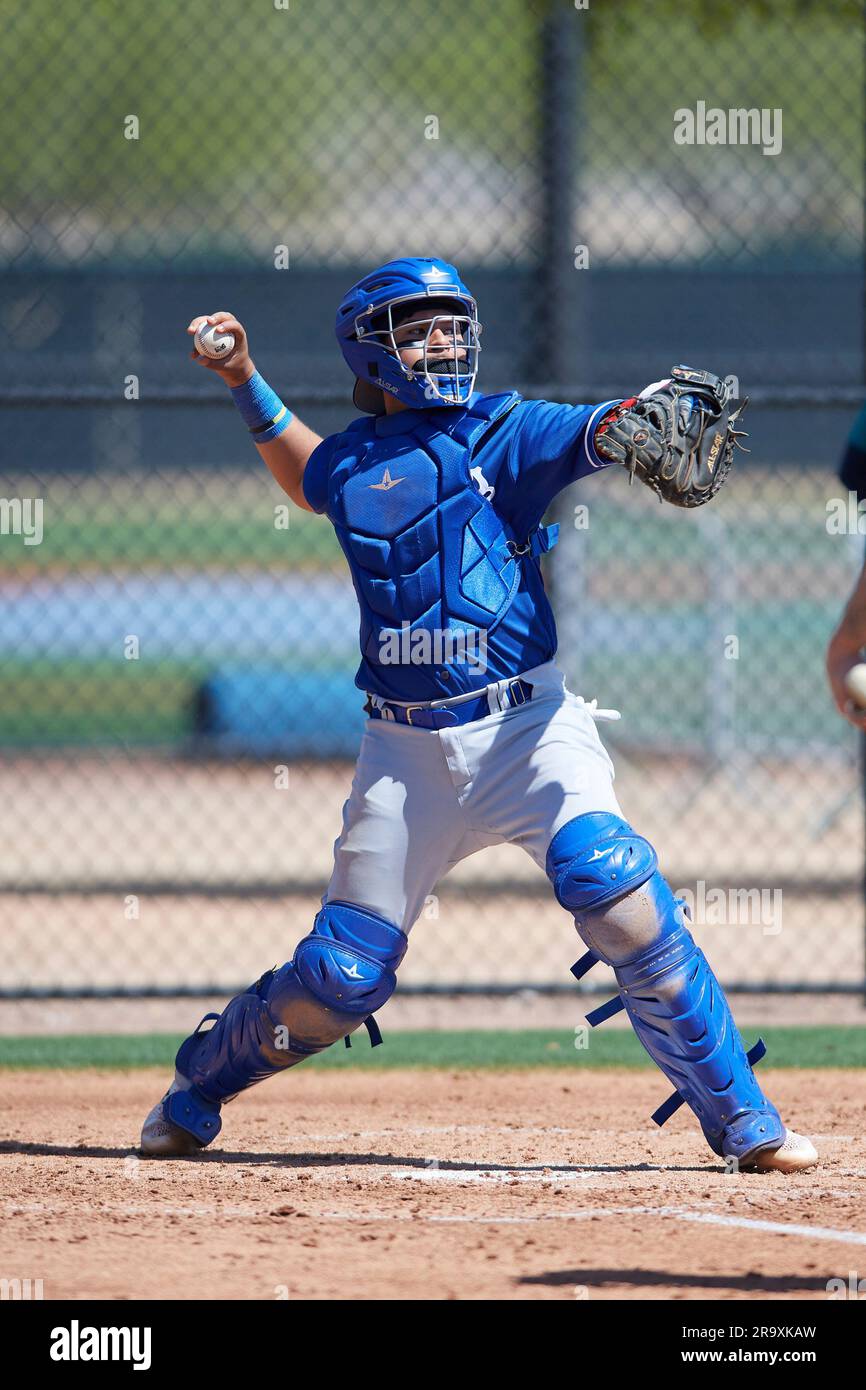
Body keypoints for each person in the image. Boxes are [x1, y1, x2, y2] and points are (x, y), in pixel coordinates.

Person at [141, 257, 816, 1173]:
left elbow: (585, 434)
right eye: (420, 327)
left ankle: (743, 1119)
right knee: (342, 977)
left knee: (612, 887)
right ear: (368, 350)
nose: (446, 340)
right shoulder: (352, 460)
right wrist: (241, 379)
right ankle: (195, 1091)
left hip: (528, 731)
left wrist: (625, 423)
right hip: (405, 752)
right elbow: (309, 477)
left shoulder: (505, 430)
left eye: (454, 324)